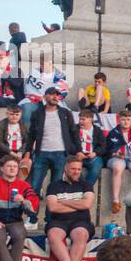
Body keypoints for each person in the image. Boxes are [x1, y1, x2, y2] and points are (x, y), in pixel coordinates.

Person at [27, 86, 80, 226]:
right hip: (41, 154)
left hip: (60, 154)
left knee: (56, 188)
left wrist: (78, 150)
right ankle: (32, 219)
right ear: (45, 96)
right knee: (34, 186)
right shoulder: (37, 113)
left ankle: (50, 219)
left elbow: (74, 132)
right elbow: (31, 134)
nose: (56, 97)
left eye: (58, 95)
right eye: (52, 95)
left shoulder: (65, 113)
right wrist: (27, 152)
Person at [44, 156, 96, 261]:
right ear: (66, 168)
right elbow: (53, 207)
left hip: (81, 221)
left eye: (79, 169)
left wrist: (65, 201)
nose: (76, 172)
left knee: (81, 235)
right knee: (53, 234)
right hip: (58, 221)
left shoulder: (86, 185)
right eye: (73, 169)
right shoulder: (54, 185)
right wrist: (78, 205)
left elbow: (86, 205)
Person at [105, 110, 131, 215]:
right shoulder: (113, 133)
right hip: (117, 158)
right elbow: (106, 150)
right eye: (123, 119)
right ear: (119, 120)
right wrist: (116, 153)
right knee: (118, 166)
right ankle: (115, 200)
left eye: (128, 119)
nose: (126, 122)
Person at [77, 108, 105, 189]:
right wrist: (77, 152)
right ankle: (79, 187)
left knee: (97, 166)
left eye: (83, 119)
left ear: (91, 119)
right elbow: (70, 144)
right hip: (78, 155)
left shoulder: (97, 130)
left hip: (93, 155)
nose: (80, 121)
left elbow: (103, 146)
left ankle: (87, 189)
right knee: (74, 167)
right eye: (80, 119)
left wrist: (95, 153)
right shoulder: (74, 129)